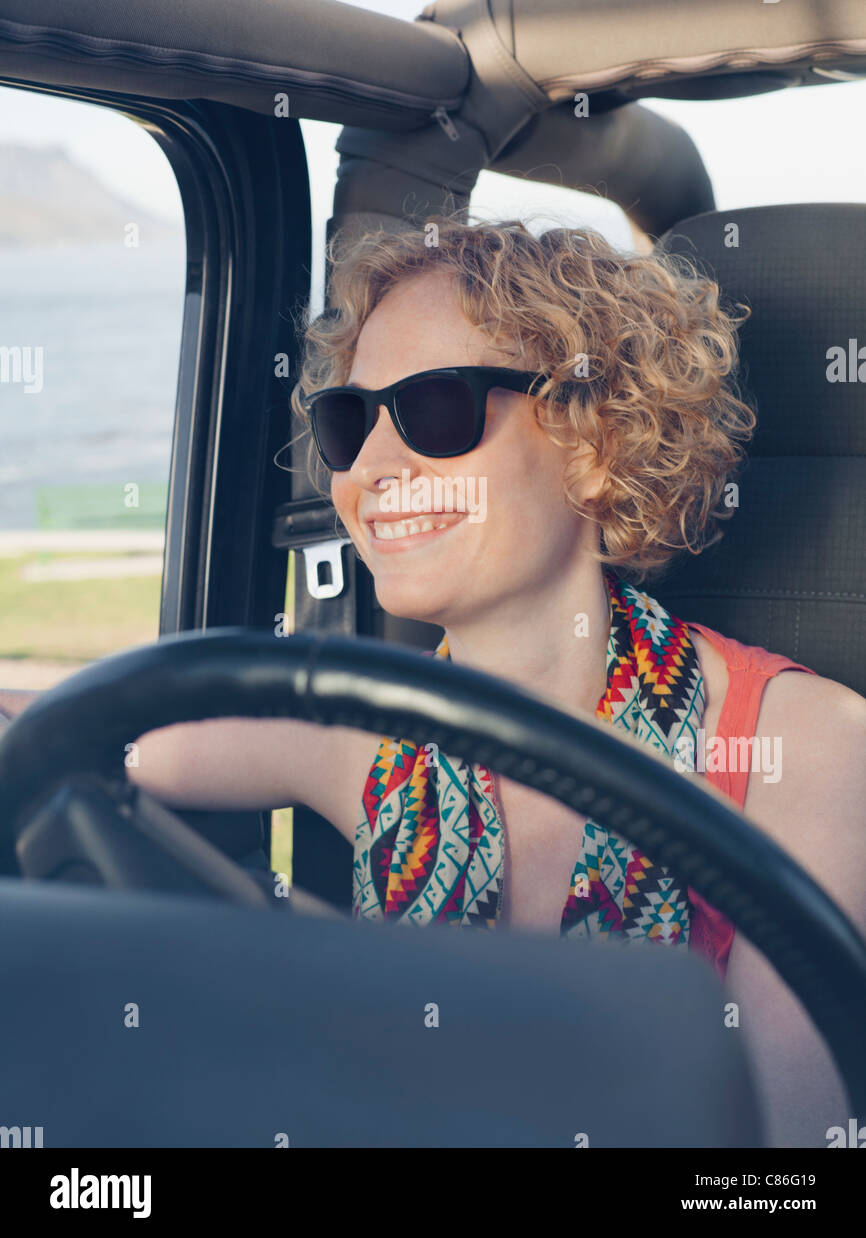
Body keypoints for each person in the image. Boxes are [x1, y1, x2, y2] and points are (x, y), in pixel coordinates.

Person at [2, 216, 865, 1147]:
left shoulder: (806, 748)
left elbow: (779, 1174)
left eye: (438, 409)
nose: (368, 472)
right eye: (347, 420)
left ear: (598, 443)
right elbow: (80, 733)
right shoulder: (355, 731)